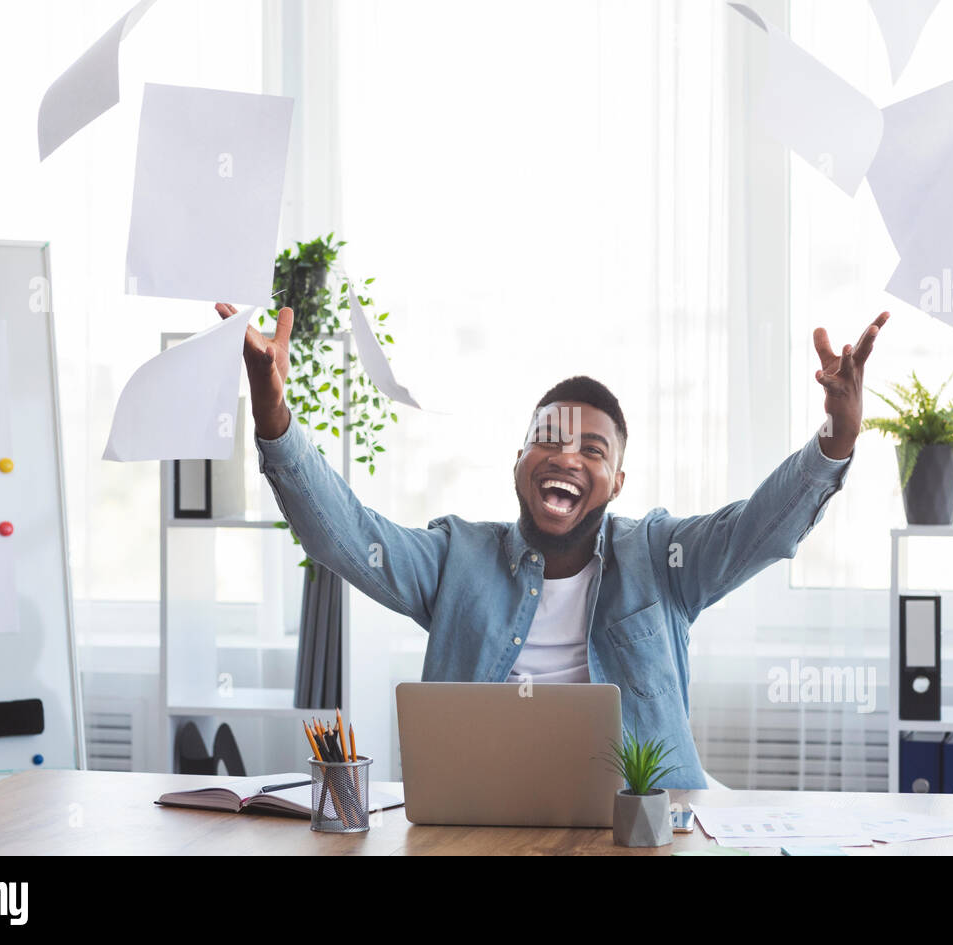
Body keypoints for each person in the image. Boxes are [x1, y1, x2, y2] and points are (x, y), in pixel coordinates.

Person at [216, 301, 889, 788]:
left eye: (591, 449)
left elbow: (757, 528)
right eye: (549, 439)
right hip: (482, 819)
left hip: (639, 827)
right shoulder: (457, 560)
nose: (565, 456)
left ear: (617, 481)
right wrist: (273, 412)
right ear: (517, 462)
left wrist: (836, 435)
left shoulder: (663, 558)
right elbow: (348, 538)